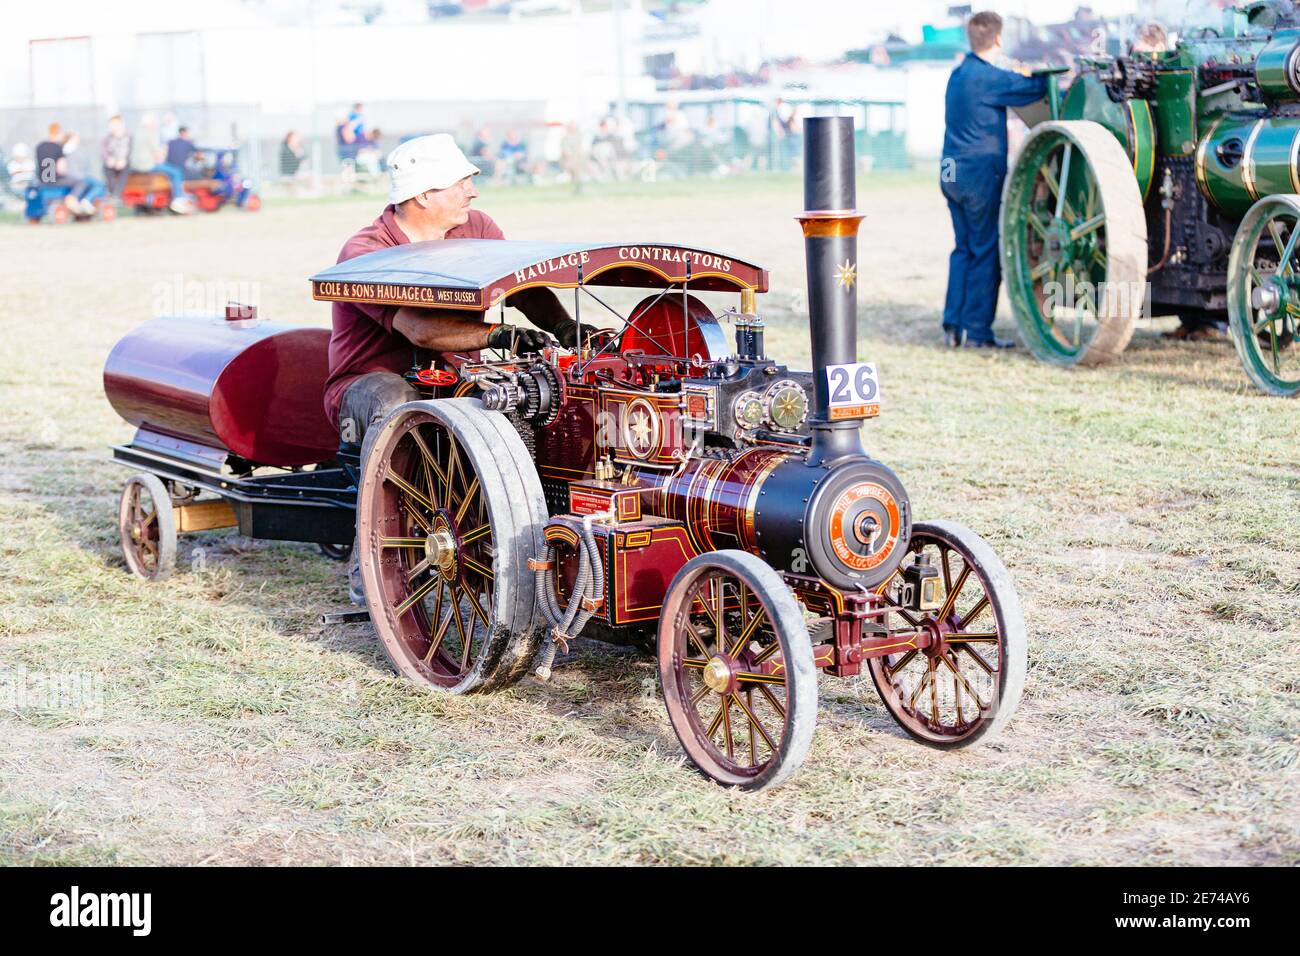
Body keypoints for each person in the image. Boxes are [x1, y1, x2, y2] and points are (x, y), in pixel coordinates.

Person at [323, 134, 598, 603]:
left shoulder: (477, 227)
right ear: (423, 194)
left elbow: (522, 287)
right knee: (397, 402)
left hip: (454, 377)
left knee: (526, 397)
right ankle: (369, 562)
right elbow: (418, 329)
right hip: (365, 383)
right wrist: (497, 336)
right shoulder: (366, 251)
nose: (472, 191)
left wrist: (565, 326)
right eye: (462, 182)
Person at [940, 11, 1047, 349]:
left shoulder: (957, 75)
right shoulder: (990, 78)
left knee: (963, 249)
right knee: (986, 251)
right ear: (998, 39)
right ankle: (979, 332)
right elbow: (1035, 88)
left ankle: (953, 325)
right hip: (978, 174)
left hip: (950, 171)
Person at [34, 123, 105, 216]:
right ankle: (72, 198)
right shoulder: (58, 147)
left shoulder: (40, 146)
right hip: (56, 181)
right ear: (58, 133)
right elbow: (61, 169)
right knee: (81, 182)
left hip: (42, 181)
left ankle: (81, 202)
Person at [130, 114, 191, 213]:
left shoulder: (137, 133)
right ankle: (178, 199)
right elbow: (157, 154)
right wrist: (164, 153)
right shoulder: (151, 133)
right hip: (148, 165)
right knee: (176, 172)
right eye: (154, 123)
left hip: (134, 167)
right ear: (150, 124)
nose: (156, 125)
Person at [101, 115, 131, 198]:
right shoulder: (107, 138)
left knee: (125, 170)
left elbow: (131, 150)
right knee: (107, 169)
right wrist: (108, 159)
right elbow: (103, 151)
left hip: (125, 162)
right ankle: (112, 192)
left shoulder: (128, 136)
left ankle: (116, 194)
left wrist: (123, 159)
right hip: (112, 162)